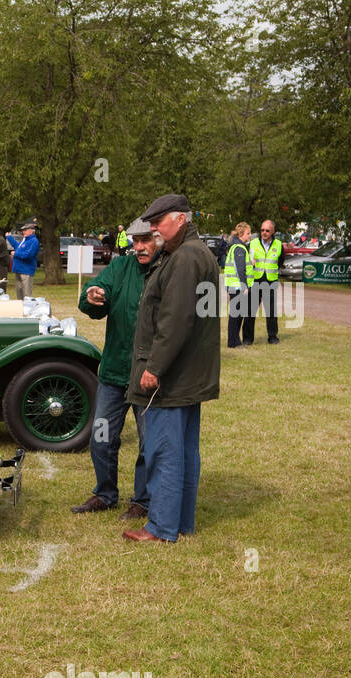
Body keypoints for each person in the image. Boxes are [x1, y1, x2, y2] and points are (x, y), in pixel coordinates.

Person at [124, 193, 221, 543]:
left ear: (180, 219)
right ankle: (181, 523)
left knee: (164, 451)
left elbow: (175, 320)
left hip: (173, 376)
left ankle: (161, 528)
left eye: (158, 222)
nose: (153, 229)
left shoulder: (185, 258)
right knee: (182, 451)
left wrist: (155, 367)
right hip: (188, 373)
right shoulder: (195, 253)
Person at [71, 217, 158, 520]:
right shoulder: (121, 267)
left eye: (146, 240)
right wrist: (93, 296)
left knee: (149, 443)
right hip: (113, 372)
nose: (140, 247)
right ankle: (105, 493)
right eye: (135, 241)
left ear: (160, 239)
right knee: (101, 437)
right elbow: (93, 296)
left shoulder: (167, 271)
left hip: (149, 377)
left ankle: (143, 501)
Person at [247, 219, 283, 344]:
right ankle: (247, 339)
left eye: (267, 230)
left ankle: (272, 337)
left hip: (270, 281)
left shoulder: (278, 244)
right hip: (255, 280)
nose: (264, 232)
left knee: (271, 311)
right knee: (250, 311)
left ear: (273, 231)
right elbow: (248, 261)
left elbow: (281, 261)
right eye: (262, 230)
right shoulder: (253, 243)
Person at [223, 222, 253, 348]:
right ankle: (233, 342)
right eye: (248, 233)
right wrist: (244, 286)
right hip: (237, 286)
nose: (250, 235)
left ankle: (234, 341)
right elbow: (240, 269)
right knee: (236, 315)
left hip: (235, 285)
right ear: (241, 234)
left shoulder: (237, 247)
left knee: (237, 314)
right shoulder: (239, 248)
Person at [11, 220, 39, 298]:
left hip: (26, 270)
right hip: (19, 269)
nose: (24, 232)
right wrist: (9, 238)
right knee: (19, 293)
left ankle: (27, 309)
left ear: (32, 231)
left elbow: (28, 255)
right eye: (23, 230)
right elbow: (17, 247)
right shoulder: (25, 240)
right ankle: (20, 309)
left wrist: (16, 254)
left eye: (25, 230)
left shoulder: (34, 241)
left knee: (27, 294)